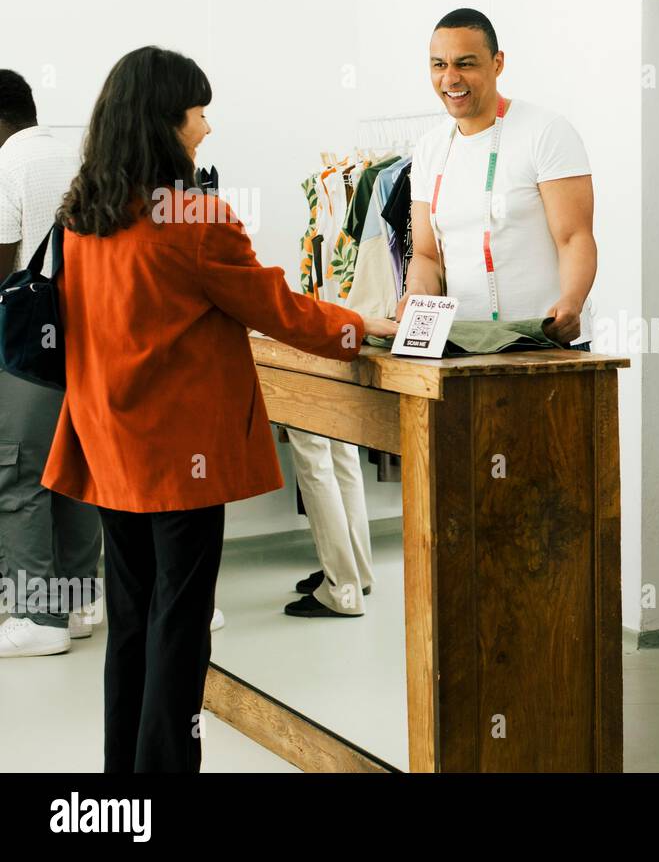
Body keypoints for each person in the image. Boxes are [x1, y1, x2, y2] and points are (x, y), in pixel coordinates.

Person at [39, 46, 396, 772]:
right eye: (199, 112)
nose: (207, 127)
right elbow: (276, 308)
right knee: (181, 623)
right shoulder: (194, 218)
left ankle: (126, 786)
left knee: (134, 621)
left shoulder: (84, 214)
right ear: (167, 121)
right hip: (178, 459)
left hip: (108, 442)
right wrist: (361, 327)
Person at [398, 8, 597, 351]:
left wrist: (572, 301)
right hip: (463, 344)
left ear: (497, 63)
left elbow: (574, 237)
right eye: (439, 65)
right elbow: (428, 255)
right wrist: (415, 296)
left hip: (543, 340)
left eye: (466, 63)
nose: (450, 78)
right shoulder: (430, 148)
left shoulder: (546, 132)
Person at [0, 70, 103, 657]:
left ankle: (39, 617)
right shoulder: (79, 157)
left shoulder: (6, 166)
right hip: (83, 347)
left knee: (17, 473)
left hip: (25, 351)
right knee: (73, 475)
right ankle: (78, 605)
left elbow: (3, 266)